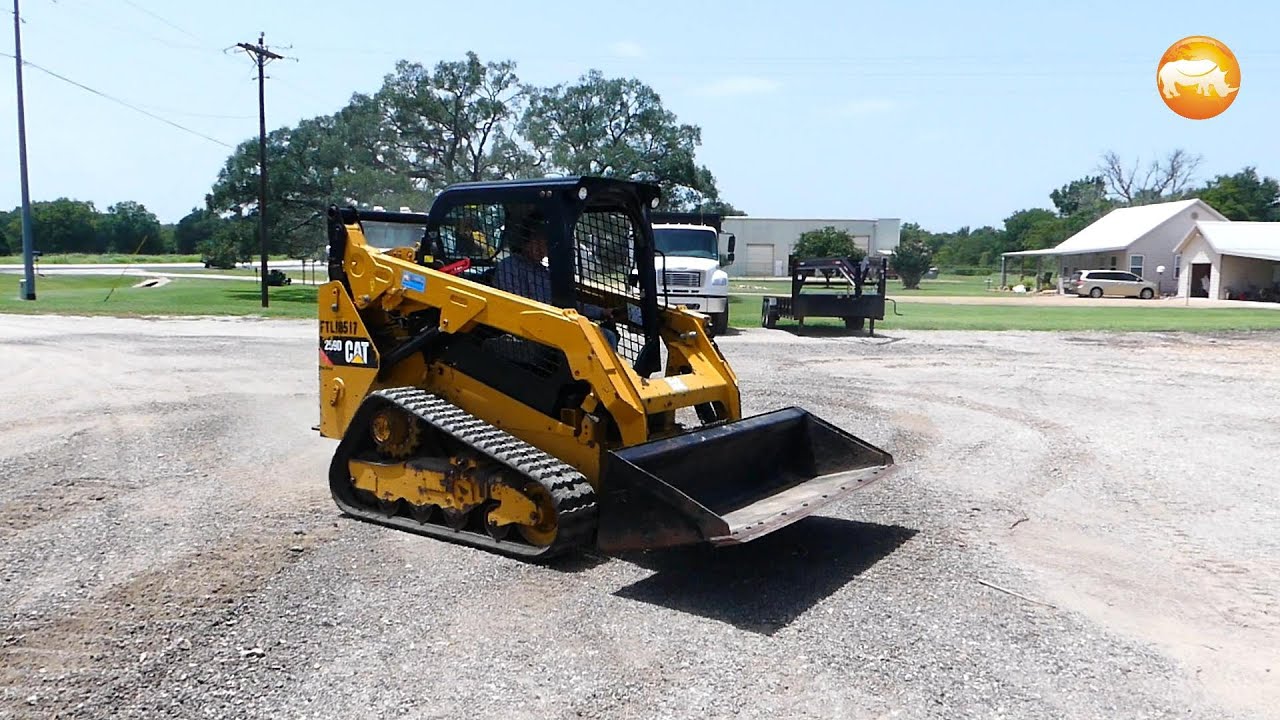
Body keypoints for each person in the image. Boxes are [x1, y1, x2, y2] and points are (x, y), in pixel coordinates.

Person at [493, 219, 624, 349]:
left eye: (545, 244)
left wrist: (601, 312)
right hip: (527, 331)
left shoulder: (544, 272)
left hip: (553, 326)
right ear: (525, 240)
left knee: (605, 334)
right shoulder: (508, 267)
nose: (542, 249)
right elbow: (513, 307)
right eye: (537, 242)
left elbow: (566, 304)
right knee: (603, 337)